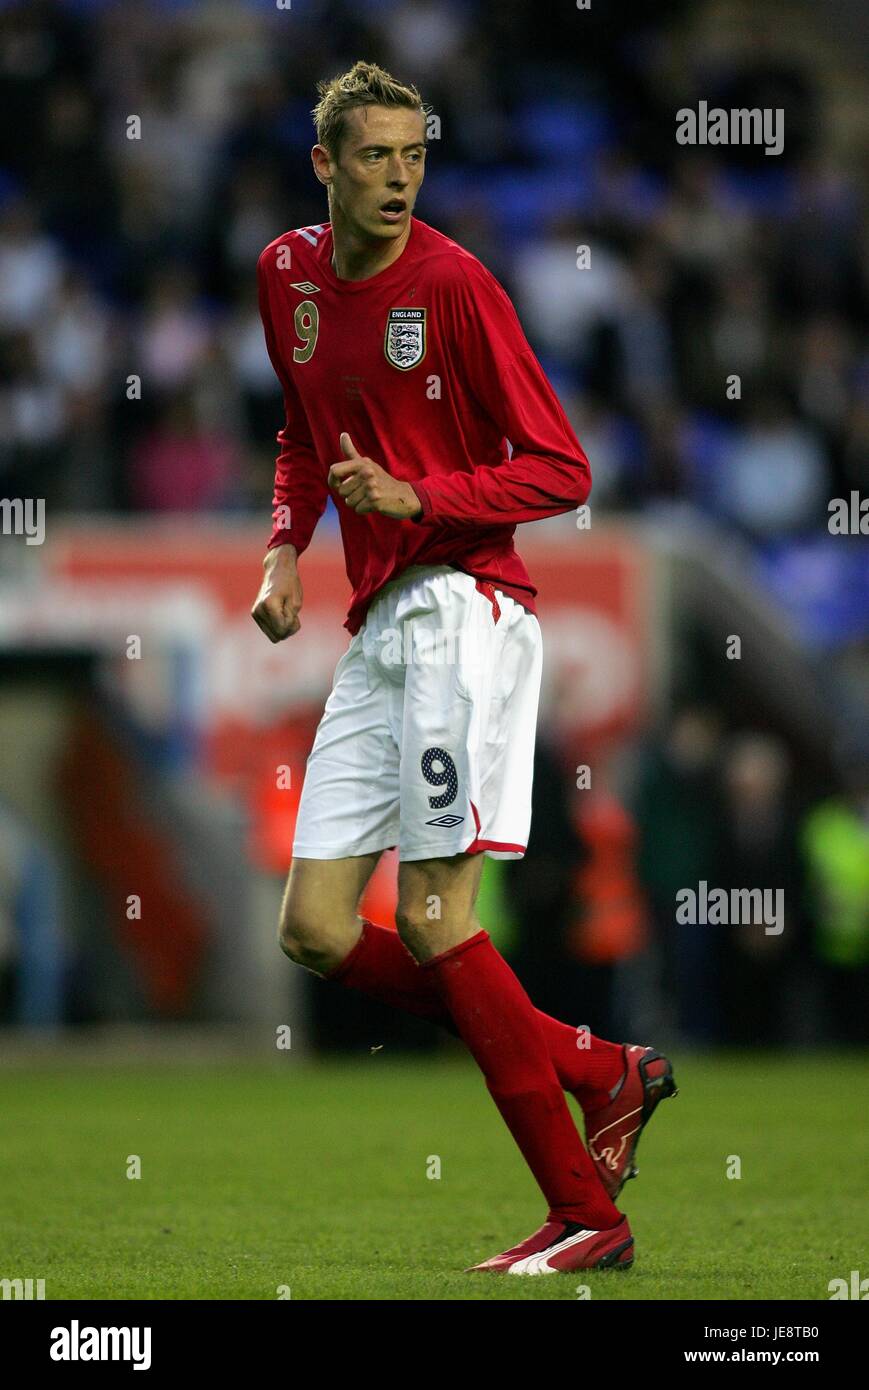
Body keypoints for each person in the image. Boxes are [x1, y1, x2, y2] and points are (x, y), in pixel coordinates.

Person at [250, 61, 675, 1275]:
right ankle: (599, 1065)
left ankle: (586, 1210)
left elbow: (562, 467)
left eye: (413, 155)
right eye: (374, 156)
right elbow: (298, 427)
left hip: (464, 612)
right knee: (319, 928)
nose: (398, 177)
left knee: (437, 917)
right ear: (323, 164)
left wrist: (418, 494)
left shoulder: (456, 285)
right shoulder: (284, 275)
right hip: (377, 622)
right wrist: (286, 551)